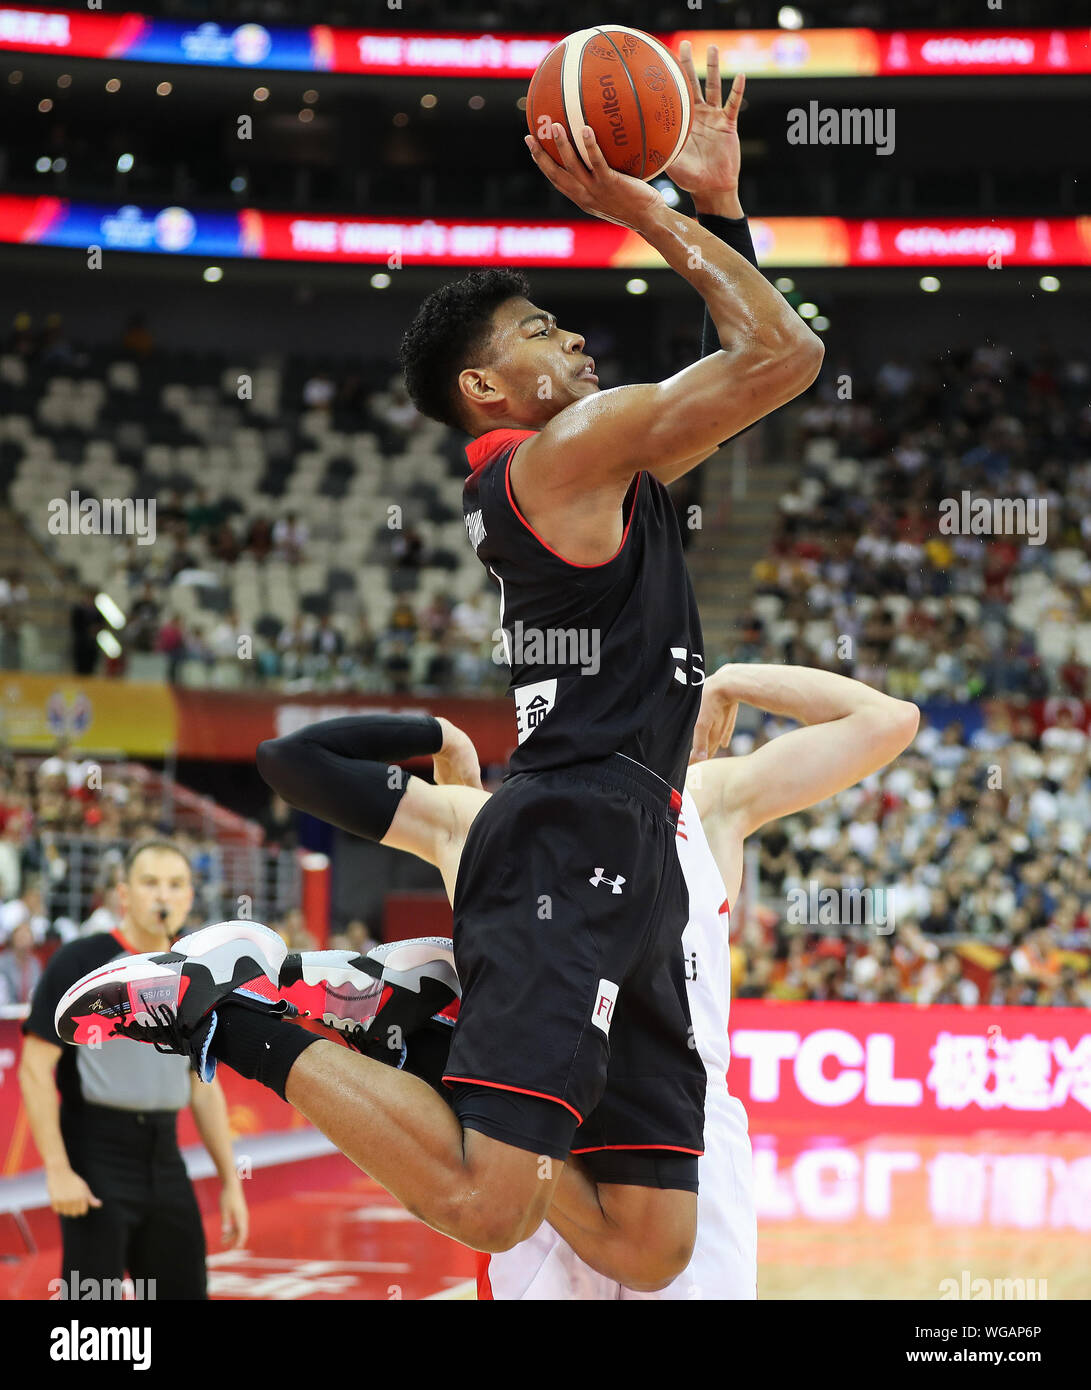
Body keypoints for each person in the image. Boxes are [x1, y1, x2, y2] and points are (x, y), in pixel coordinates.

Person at [52, 46, 823, 1293]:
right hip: (574, 828)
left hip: (624, 838)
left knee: (650, 1238)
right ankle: (223, 1009)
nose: (569, 332)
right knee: (485, 1202)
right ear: (485, 386)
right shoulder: (558, 459)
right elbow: (781, 358)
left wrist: (717, 214)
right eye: (538, 328)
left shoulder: (585, 466)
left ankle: (421, 1041)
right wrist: (643, 206)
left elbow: (742, 386)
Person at [58, 661, 918, 1299]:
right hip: (614, 1121)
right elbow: (883, 720)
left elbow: (887, 719)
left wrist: (729, 679)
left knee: (549, 1215)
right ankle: (410, 1038)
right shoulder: (644, 802)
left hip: (593, 1117)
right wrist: (734, 683)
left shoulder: (654, 800)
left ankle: (414, 1039)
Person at [18, 838, 248, 1300]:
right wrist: (58, 1170)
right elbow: (34, 1069)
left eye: (175, 884)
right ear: (123, 894)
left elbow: (203, 1086)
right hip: (96, 1151)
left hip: (165, 1155)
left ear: (188, 897)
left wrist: (230, 1183)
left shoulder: (198, 972)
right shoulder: (80, 961)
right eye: (150, 883)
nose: (162, 895)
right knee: (91, 1306)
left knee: (184, 1288)